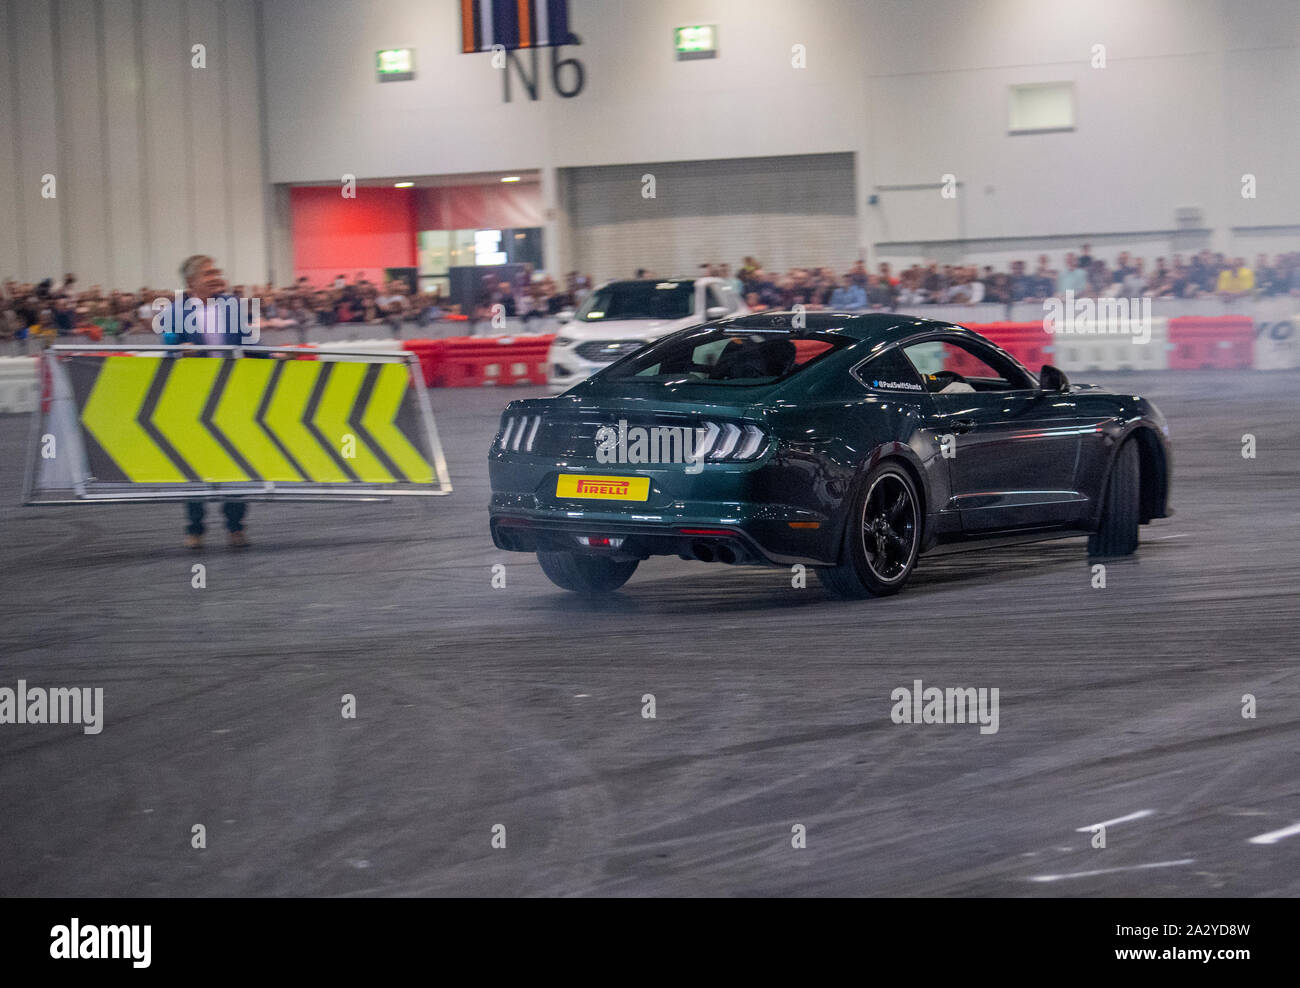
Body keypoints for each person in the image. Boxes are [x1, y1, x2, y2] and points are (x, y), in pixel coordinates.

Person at [169, 254, 253, 550]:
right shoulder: (175, 311)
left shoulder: (234, 307)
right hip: (194, 398)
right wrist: (180, 349)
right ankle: (195, 528)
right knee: (195, 465)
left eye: (218, 270)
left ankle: (235, 526)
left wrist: (276, 355)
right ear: (192, 282)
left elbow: (251, 344)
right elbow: (167, 347)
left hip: (231, 395)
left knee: (235, 462)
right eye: (209, 273)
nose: (217, 276)